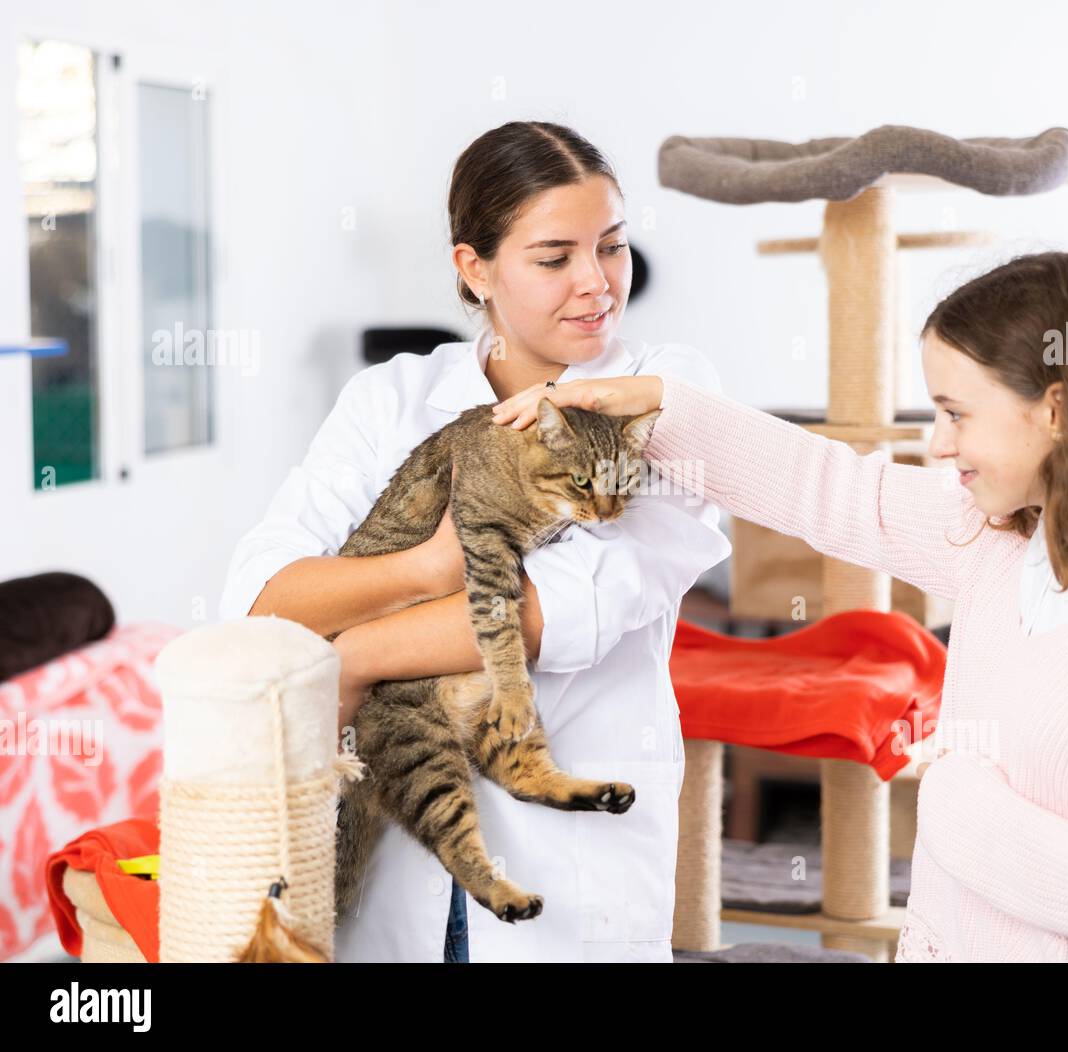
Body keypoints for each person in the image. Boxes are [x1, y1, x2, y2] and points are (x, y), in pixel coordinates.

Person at [491, 250, 1068, 963]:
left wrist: (962, 811)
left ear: (1058, 411)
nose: (936, 443)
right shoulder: (995, 542)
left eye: (956, 412)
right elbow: (829, 488)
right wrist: (658, 404)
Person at [217, 122, 731, 962]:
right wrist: (426, 567)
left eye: (613, 247)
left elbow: (560, 610)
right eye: (555, 257)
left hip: (566, 882)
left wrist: (351, 659)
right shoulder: (391, 397)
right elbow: (264, 599)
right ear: (474, 268)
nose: (597, 284)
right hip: (389, 877)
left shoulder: (666, 391)